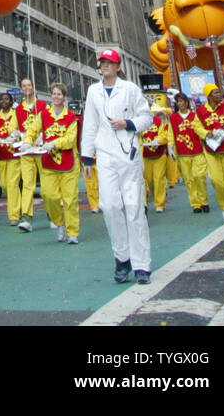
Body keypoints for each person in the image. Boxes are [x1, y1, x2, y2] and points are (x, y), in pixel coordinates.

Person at [80, 49, 153, 285]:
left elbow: (147, 117)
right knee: (109, 206)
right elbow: (90, 124)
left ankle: (142, 264)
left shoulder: (130, 89)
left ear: (118, 65)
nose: (106, 66)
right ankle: (122, 258)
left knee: (133, 207)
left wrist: (127, 123)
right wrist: (87, 157)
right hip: (105, 154)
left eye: (110, 62)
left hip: (128, 153)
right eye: (103, 63)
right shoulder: (93, 91)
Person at [24, 81, 80, 242]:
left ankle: (73, 232)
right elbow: (33, 130)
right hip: (48, 163)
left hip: (68, 163)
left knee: (70, 200)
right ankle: (59, 222)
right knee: (48, 195)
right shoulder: (44, 115)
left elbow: (71, 139)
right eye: (54, 94)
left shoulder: (70, 117)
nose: (56, 97)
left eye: (59, 94)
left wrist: (55, 143)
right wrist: (28, 141)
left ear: (64, 97)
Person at [195, 85, 224, 221]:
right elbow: (196, 126)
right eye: (215, 92)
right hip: (212, 151)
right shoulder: (200, 111)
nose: (219, 94)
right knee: (216, 180)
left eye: (218, 92)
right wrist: (207, 134)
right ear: (209, 96)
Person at [167, 92, 209, 214]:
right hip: (183, 152)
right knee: (189, 179)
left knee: (200, 176)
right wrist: (170, 146)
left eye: (182, 101)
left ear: (186, 102)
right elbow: (171, 133)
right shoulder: (173, 118)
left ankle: (204, 201)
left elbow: (201, 130)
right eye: (178, 102)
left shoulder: (195, 116)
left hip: (197, 151)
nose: (180, 104)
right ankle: (195, 204)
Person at [0, 91, 23, 225]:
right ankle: (19, 204)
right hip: (1, 156)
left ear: (11, 101)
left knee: (12, 184)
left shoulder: (16, 114)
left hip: (14, 155)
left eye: (7, 99)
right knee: (4, 184)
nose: (4, 101)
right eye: (2, 99)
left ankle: (14, 215)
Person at [15, 77, 46, 232]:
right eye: (24, 86)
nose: (27, 88)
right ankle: (26, 217)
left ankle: (54, 215)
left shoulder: (42, 105)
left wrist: (43, 136)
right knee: (28, 184)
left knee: (47, 183)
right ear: (21, 89)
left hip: (41, 149)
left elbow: (49, 123)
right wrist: (16, 135)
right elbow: (14, 128)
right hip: (26, 150)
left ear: (33, 87)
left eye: (29, 85)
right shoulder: (18, 109)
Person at [140, 100, 169, 213]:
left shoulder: (157, 121)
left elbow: (163, 134)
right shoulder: (139, 122)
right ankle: (153, 195)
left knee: (159, 179)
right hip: (145, 156)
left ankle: (160, 204)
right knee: (149, 180)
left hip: (159, 155)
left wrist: (157, 141)